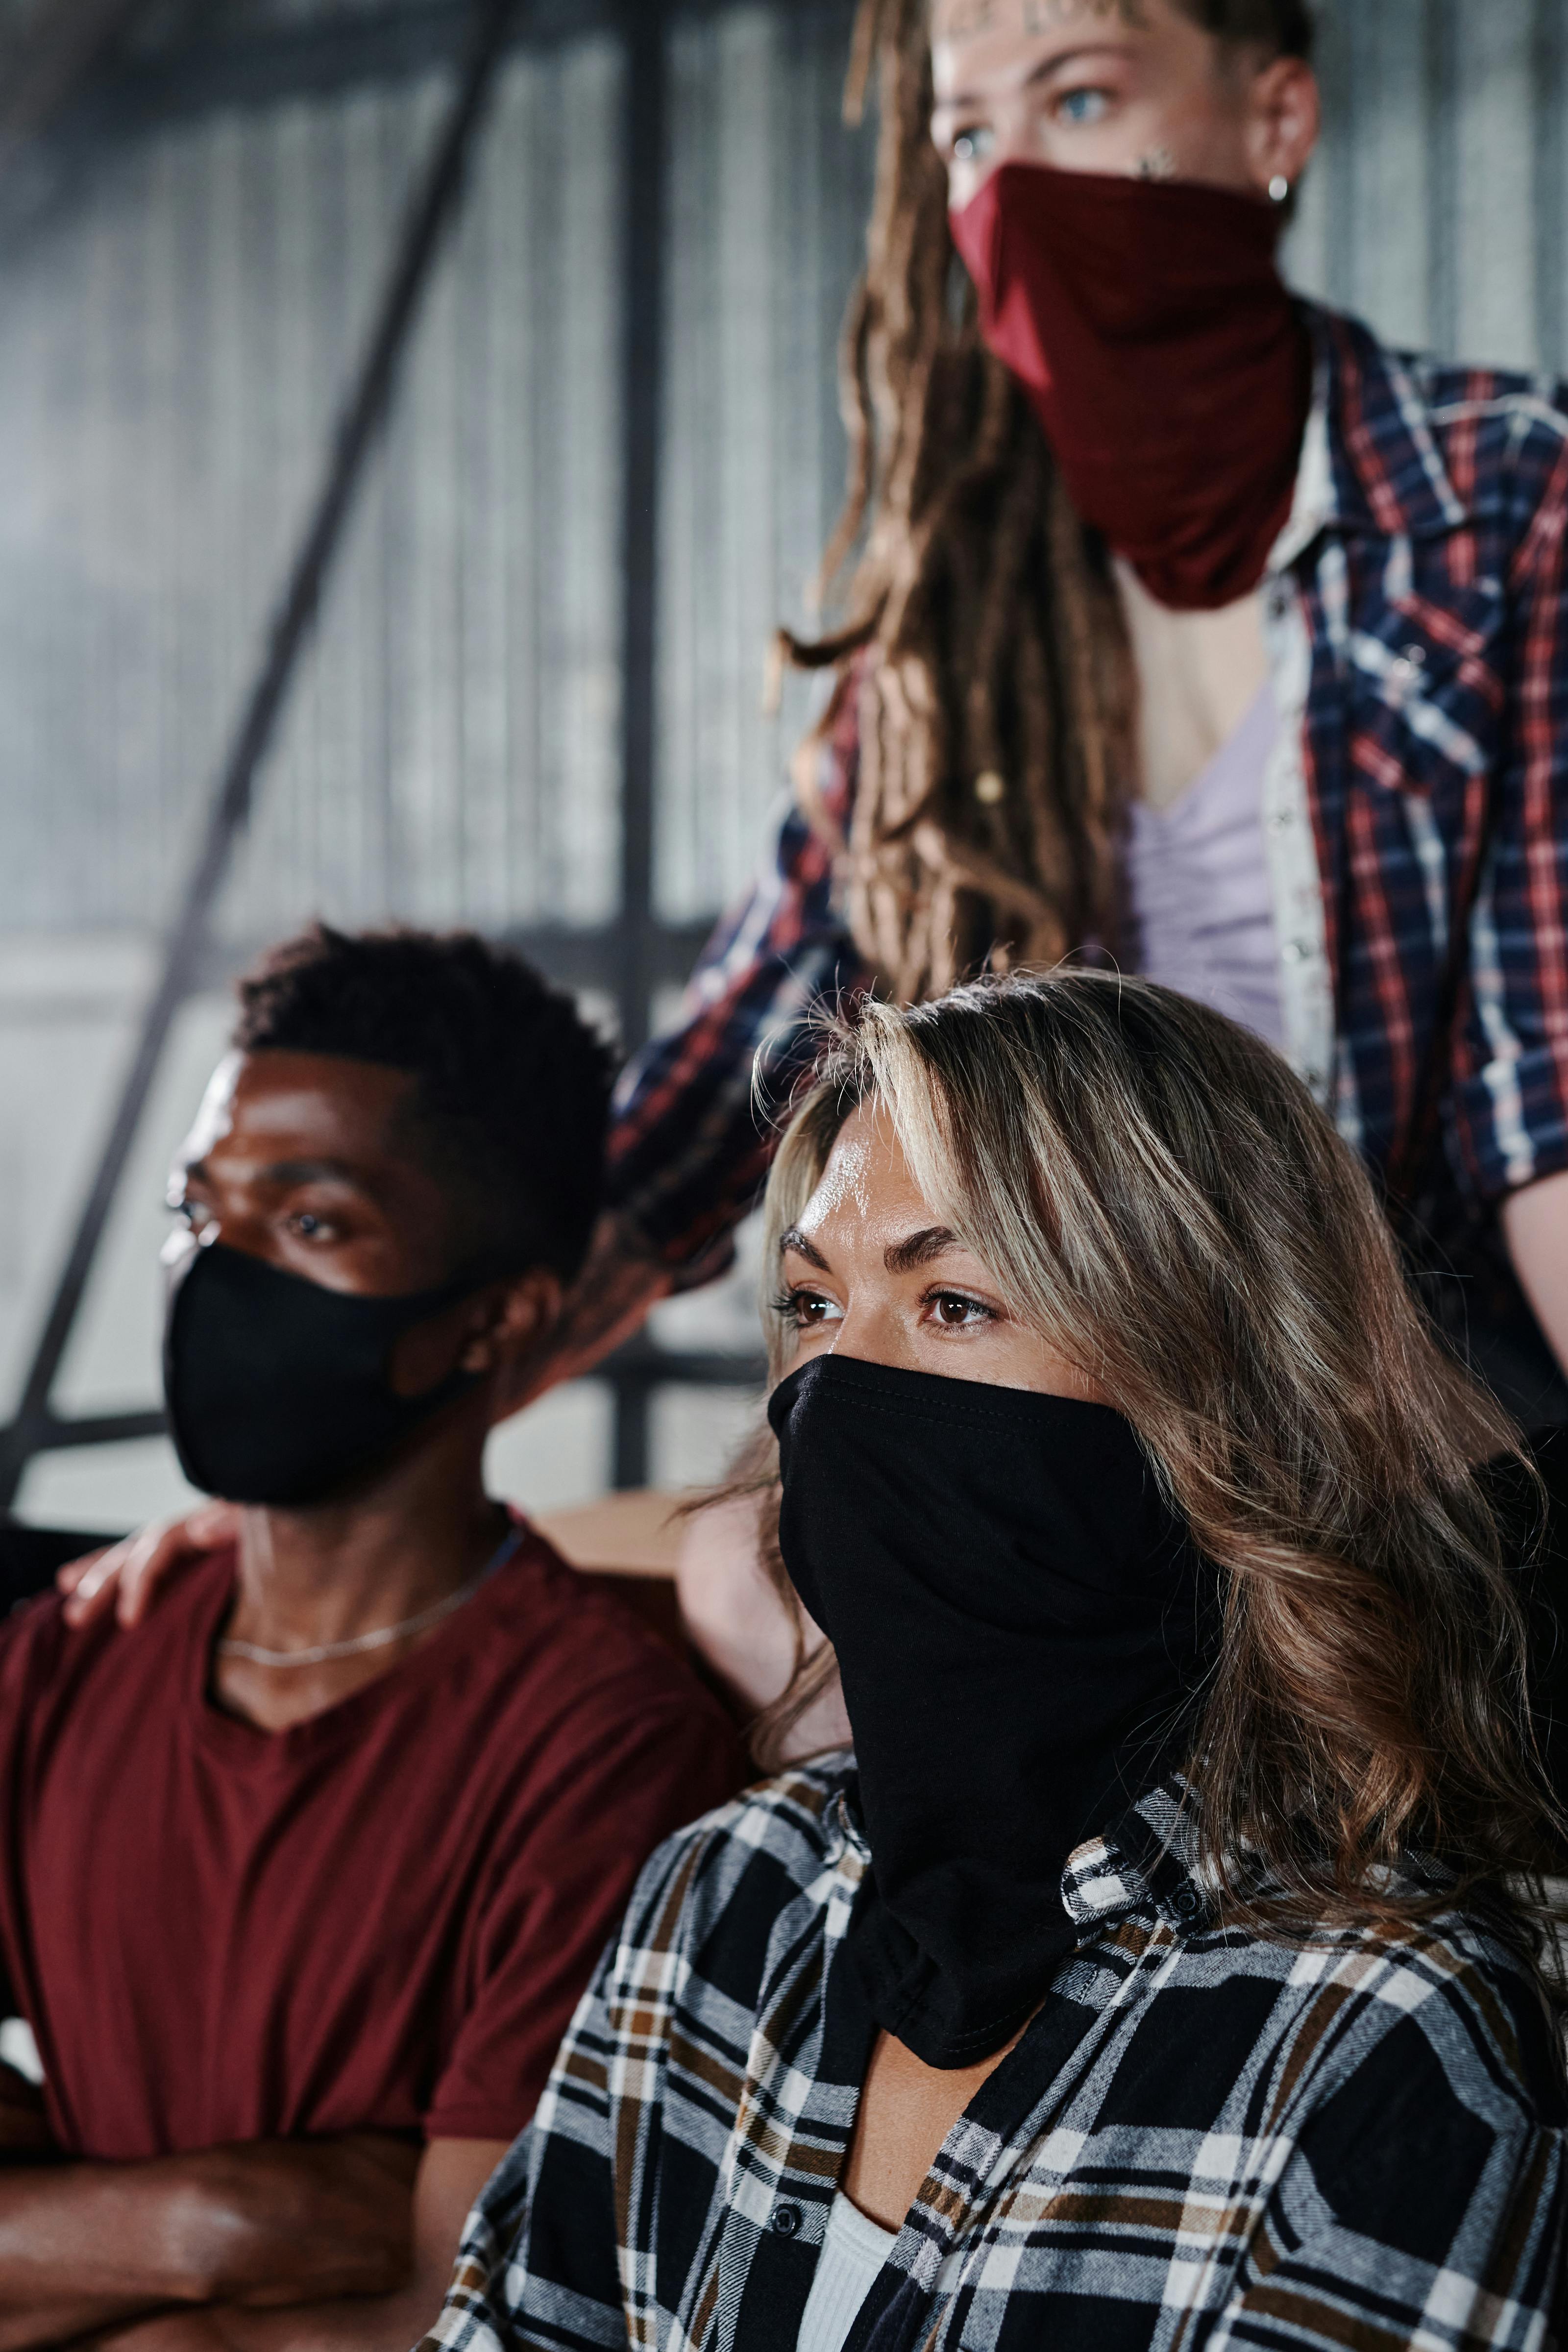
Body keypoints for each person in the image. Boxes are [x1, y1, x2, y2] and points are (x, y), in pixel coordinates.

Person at [63, 0, 1568, 1706]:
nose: (1015, 186)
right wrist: (314, 1491)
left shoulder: (1503, 501)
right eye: (969, 136)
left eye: (1082, 98)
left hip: (1384, 1388)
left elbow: (1551, 1105)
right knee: (746, 1573)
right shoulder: (941, 626)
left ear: (1272, 117)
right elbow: (715, 1095)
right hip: (1032, 1390)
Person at [423, 971, 1566, 2352]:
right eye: (809, 1304)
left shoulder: (1382, 2043)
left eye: (954, 1304)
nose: (839, 1391)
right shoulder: (721, 1899)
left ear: (1205, 1388)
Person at [0, 924, 744, 2352]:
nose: (221, 1272)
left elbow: (455, 2318)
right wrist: (214, 2225)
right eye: (199, 1208)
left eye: (314, 1223)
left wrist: (66, 2242)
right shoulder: (72, 1655)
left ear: (502, 1318)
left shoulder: (608, 1754)